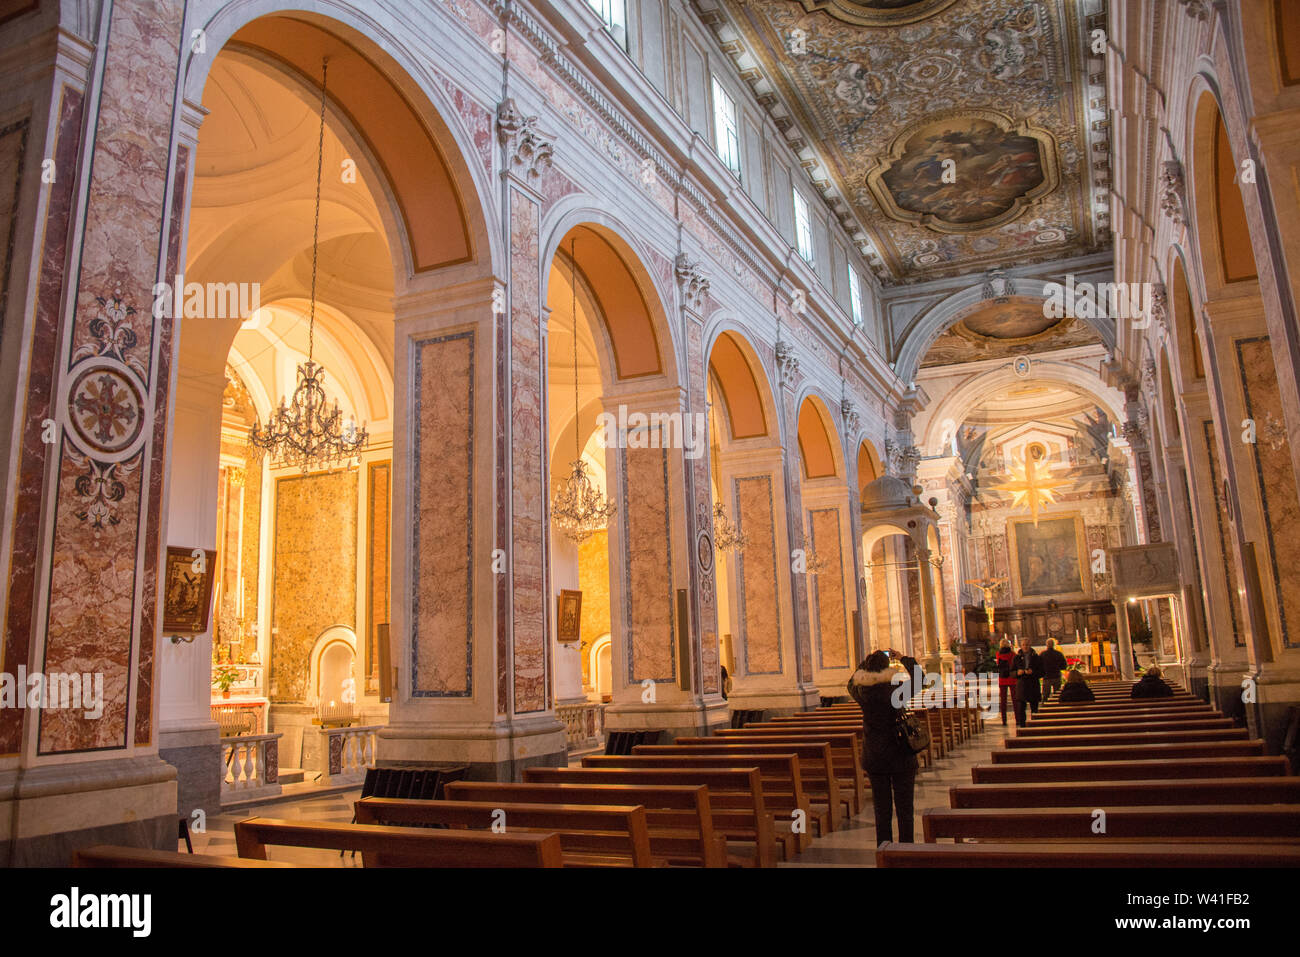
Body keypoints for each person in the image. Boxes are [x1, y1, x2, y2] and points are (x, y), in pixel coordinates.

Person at [848, 651, 919, 845]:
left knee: (882, 811)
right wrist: (904, 658)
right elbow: (919, 679)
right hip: (900, 755)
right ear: (887, 668)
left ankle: (884, 851)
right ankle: (906, 852)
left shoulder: (862, 692)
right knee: (905, 811)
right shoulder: (895, 690)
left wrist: (866, 664)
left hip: (875, 757)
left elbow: (850, 682)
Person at [1011, 637, 1042, 724]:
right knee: (1021, 709)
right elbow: (1011, 673)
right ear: (1021, 646)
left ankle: (1035, 726)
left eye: (1027, 645)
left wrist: (1033, 672)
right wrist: (1017, 673)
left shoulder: (1036, 657)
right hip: (1022, 686)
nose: (1025, 647)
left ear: (1030, 645)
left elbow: (1042, 672)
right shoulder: (1016, 658)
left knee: (1034, 709)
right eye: (1024, 645)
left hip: (1033, 685)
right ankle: (1022, 727)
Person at [996, 638, 1016, 726]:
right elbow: (1014, 664)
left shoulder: (998, 654)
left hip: (1002, 679)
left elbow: (998, 665)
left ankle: (1004, 720)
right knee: (1015, 699)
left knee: (1003, 701)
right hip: (1011, 678)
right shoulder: (1012, 654)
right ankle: (1018, 719)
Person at [1039, 637, 1067, 702]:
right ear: (1054, 645)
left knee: (1046, 695)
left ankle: (1044, 708)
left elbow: (1038, 665)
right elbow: (1064, 666)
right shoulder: (1059, 654)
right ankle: (1058, 707)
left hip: (1046, 677)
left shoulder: (1043, 654)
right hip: (1056, 676)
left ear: (1046, 645)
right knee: (1057, 694)